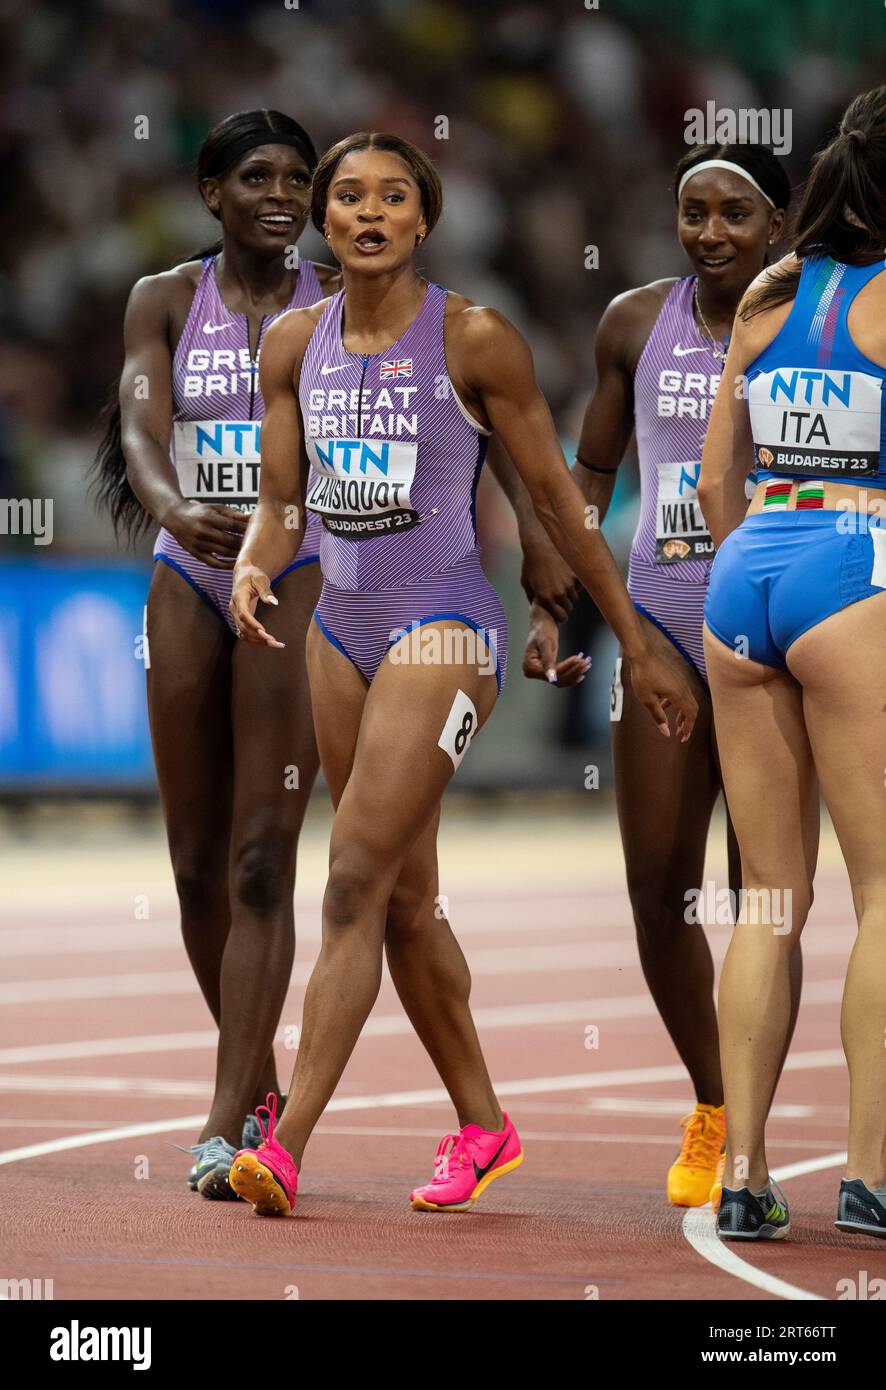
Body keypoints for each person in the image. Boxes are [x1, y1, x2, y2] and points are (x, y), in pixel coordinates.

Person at [227, 131, 698, 1218]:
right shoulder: (292, 344)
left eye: (393, 195)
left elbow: (556, 500)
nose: (369, 212)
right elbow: (281, 501)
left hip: (441, 624)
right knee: (403, 902)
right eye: (348, 197)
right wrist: (257, 561)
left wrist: (628, 634)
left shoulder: (477, 340)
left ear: (424, 220)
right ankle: (484, 1123)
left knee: (348, 879)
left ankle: (285, 1143)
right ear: (324, 220)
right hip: (336, 626)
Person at [524, 144, 797, 1209]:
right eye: (693, 212)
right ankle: (714, 1102)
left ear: (778, 224)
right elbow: (589, 475)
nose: (711, 232)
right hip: (663, 631)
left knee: (760, 897)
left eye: (735, 213)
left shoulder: (812, 325)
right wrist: (557, 597)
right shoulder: (633, 322)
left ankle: (755, 1139)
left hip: (773, 633)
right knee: (655, 886)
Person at [93, 109, 339, 1198]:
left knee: (258, 861)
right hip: (189, 571)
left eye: (299, 177)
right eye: (257, 176)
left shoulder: (339, 300)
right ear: (212, 194)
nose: (282, 193)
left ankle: (223, 1118)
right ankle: (260, 1089)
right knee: (194, 866)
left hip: (303, 574)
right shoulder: (166, 299)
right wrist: (170, 505)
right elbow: (142, 423)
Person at [699, 87, 886, 1241]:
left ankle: (743, 1175)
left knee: (767, 898)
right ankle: (869, 1171)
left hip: (746, 574)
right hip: (853, 562)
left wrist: (747, 582)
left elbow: (718, 480)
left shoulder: (767, 294)